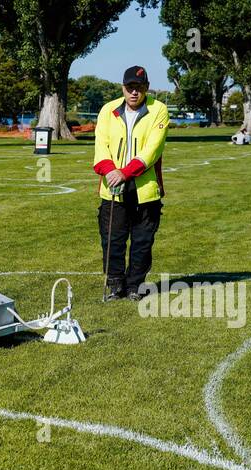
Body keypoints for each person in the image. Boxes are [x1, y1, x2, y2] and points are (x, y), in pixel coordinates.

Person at [92, 66, 169, 301]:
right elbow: (100, 146)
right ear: (123, 88)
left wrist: (125, 172)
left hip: (145, 189)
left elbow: (152, 150)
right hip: (112, 186)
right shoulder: (108, 110)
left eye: (140, 87)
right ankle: (115, 284)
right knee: (112, 239)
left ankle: (135, 285)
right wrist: (110, 171)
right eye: (130, 87)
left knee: (142, 241)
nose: (134, 92)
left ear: (146, 88)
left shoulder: (159, 110)